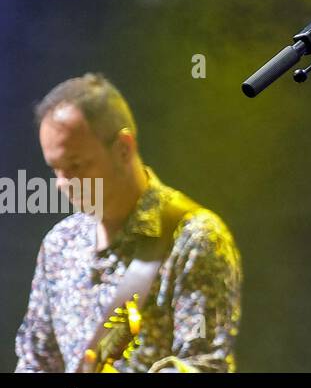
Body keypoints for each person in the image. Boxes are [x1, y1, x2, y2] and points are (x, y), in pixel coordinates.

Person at [15, 73, 242, 372]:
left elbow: (207, 365)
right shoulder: (60, 244)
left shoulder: (195, 239)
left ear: (123, 148)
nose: (62, 184)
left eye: (76, 166)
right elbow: (36, 361)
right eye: (56, 169)